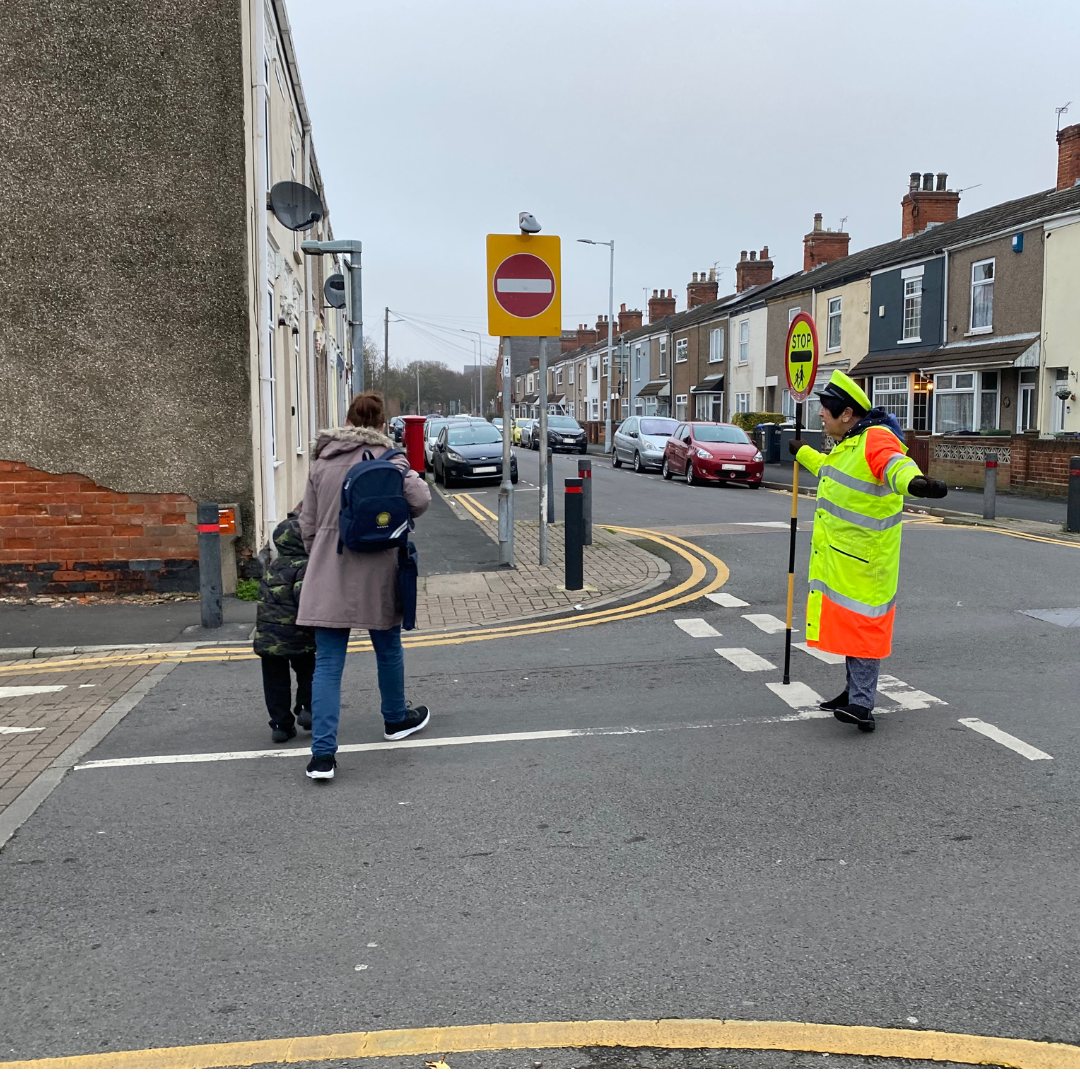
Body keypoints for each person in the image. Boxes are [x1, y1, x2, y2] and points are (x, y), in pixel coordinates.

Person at [788, 370, 947, 733]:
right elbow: (830, 470)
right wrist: (804, 453)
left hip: (866, 560)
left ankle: (862, 704)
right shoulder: (849, 445)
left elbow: (894, 464)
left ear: (846, 413)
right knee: (848, 624)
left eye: (825, 409)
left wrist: (915, 483)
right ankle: (851, 693)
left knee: (864, 627)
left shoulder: (875, 438)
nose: (820, 414)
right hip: (844, 557)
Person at [297, 391, 432, 781]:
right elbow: (421, 500)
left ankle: (322, 756)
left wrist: (320, 552)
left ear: (347, 420)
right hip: (378, 567)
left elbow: (307, 524)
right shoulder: (391, 459)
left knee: (327, 662)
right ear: (379, 424)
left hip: (328, 566)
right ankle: (395, 720)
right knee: (387, 647)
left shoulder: (321, 461)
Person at [253, 513, 316, 743]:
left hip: (268, 638)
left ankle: (280, 725)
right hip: (298, 636)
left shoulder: (273, 566)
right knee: (308, 672)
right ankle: (307, 709)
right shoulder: (305, 567)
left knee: (275, 682)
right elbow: (305, 601)